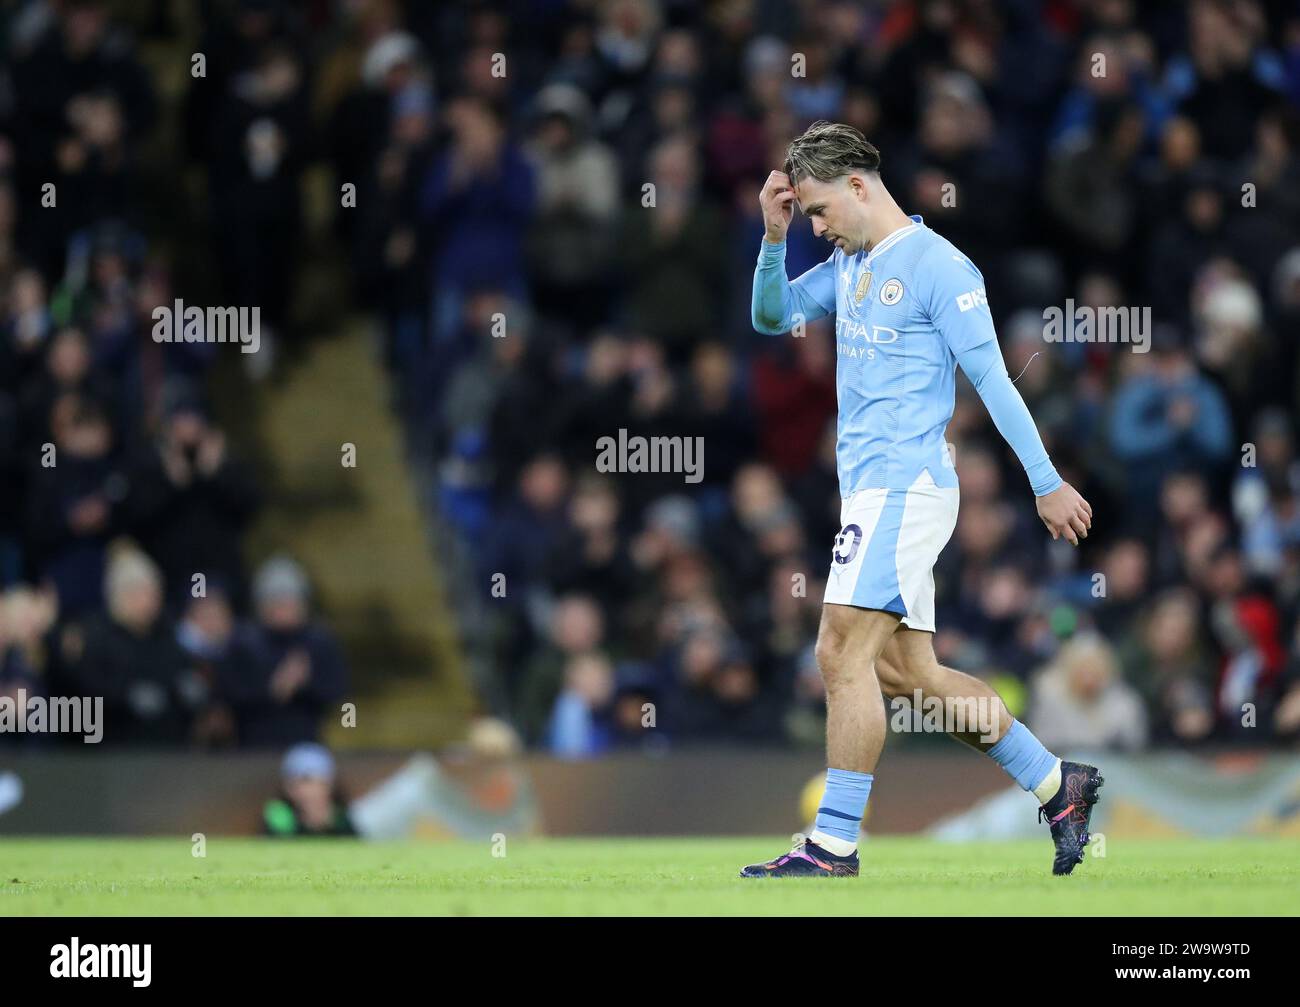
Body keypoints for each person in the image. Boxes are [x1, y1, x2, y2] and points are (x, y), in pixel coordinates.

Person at [744, 121, 1100, 878]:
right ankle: (1056, 782)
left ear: (858, 186)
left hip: (903, 488)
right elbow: (772, 317)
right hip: (874, 493)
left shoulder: (942, 267)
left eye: (815, 209)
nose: (816, 224)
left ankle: (833, 844)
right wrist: (774, 238)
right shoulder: (849, 263)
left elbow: (996, 381)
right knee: (912, 678)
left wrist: (1046, 482)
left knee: (838, 650)